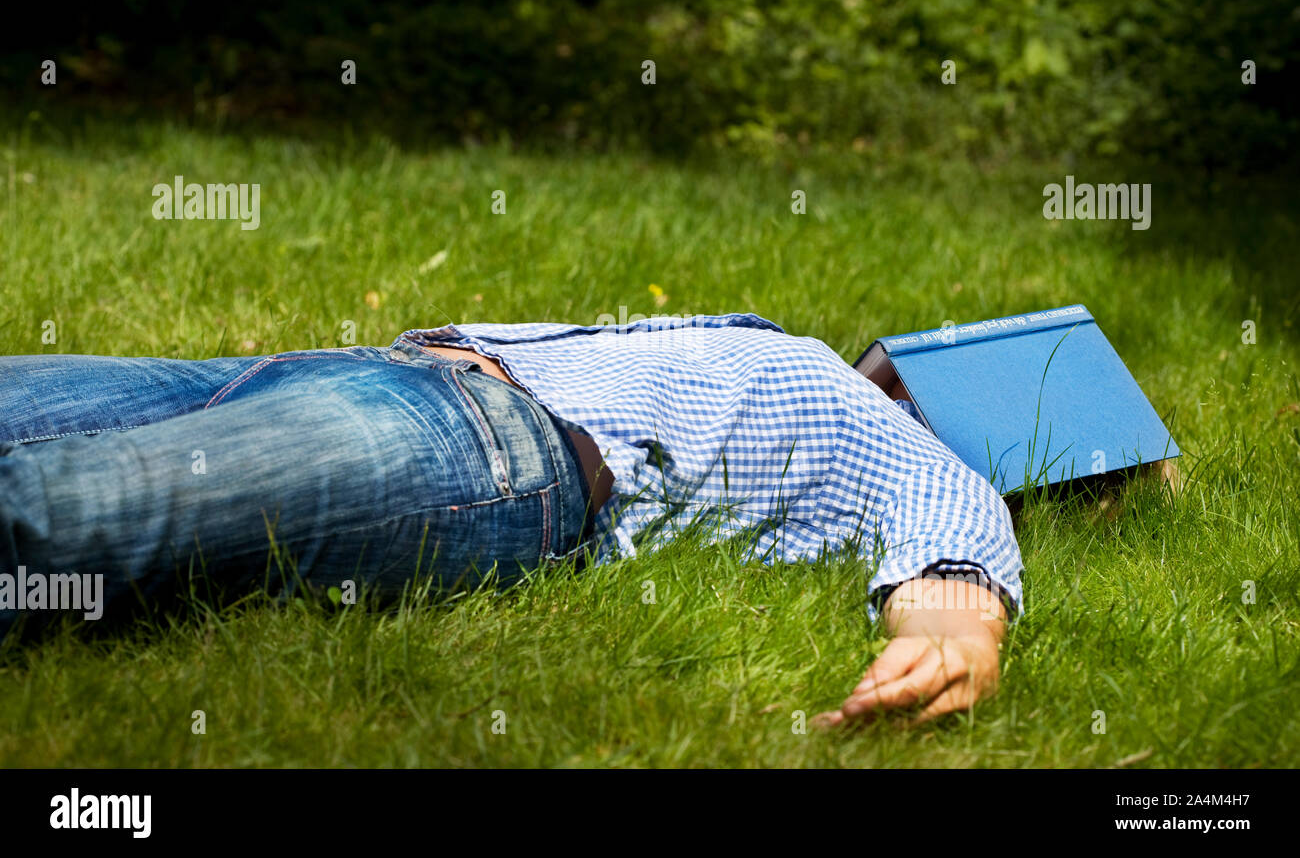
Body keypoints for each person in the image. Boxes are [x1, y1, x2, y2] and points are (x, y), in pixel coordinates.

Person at [0, 312, 1022, 724]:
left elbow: (954, 538)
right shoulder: (776, 343)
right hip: (357, 369)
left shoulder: (893, 438)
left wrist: (949, 639)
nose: (903, 358)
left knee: (60, 514)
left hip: (488, 451)